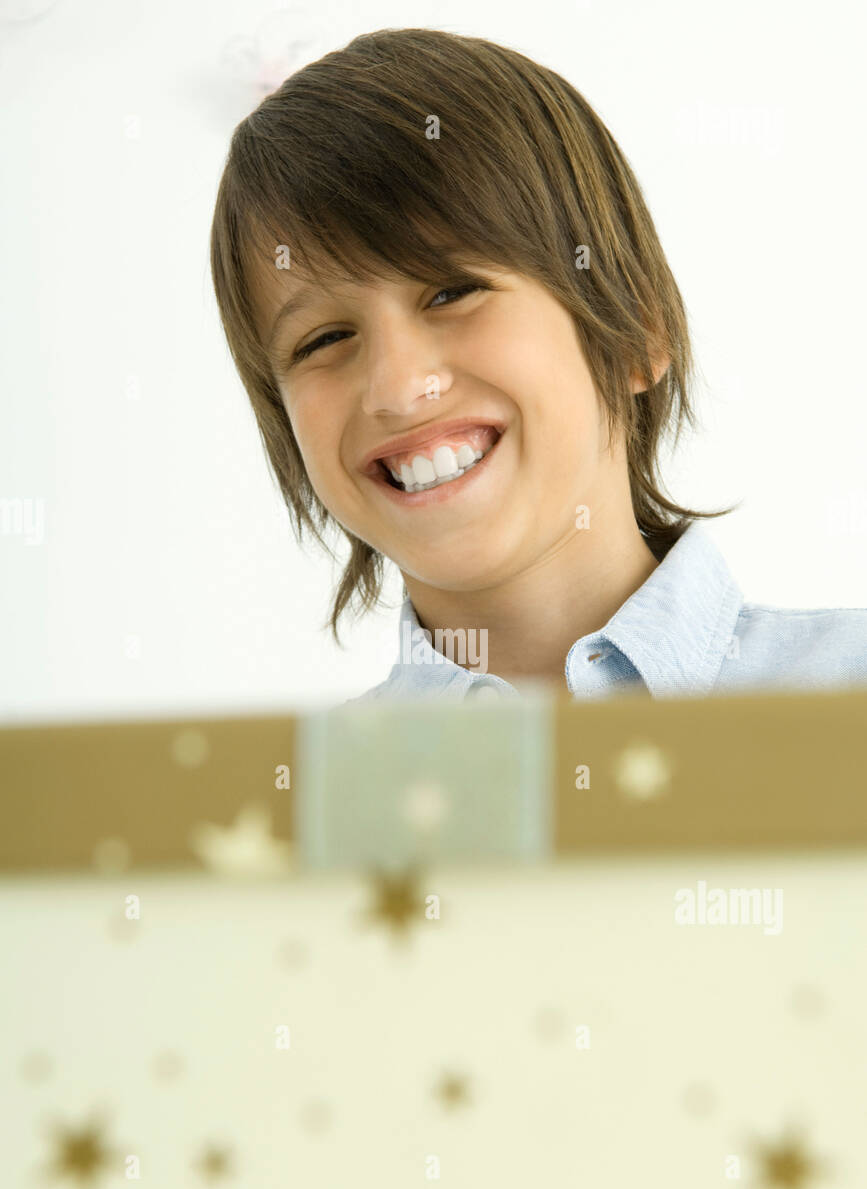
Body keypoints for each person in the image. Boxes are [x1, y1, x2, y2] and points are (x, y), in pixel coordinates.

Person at [210, 28, 867, 704]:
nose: (399, 389)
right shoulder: (295, 797)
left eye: (451, 292)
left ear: (637, 329)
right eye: (322, 339)